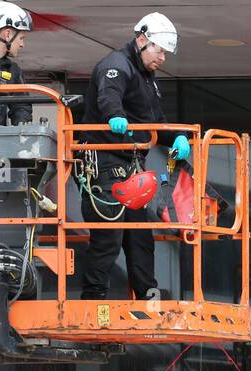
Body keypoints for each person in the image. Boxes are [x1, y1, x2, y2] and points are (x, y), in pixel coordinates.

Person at [78, 12, 190, 301]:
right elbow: (108, 96)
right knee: (108, 236)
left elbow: (154, 119)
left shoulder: (146, 78)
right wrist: (115, 116)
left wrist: (176, 136)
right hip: (104, 164)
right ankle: (93, 298)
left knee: (140, 236)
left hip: (130, 167)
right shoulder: (116, 66)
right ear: (142, 40)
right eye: (159, 50)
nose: (162, 58)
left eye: (165, 52)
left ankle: (147, 294)